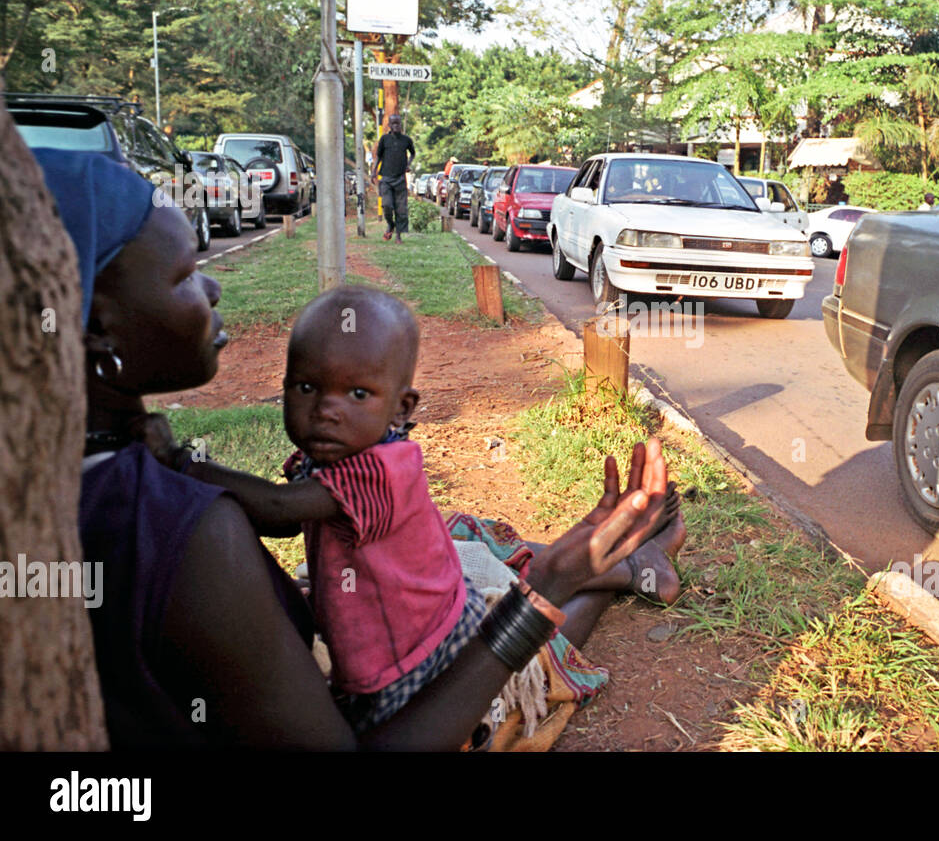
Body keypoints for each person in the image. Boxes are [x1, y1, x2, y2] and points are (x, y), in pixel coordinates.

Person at [34, 146, 681, 749]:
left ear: (402, 409)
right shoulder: (188, 532)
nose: (212, 288)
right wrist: (551, 582)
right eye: (182, 276)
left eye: (357, 395)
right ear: (92, 324)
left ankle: (622, 562)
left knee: (468, 541)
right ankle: (609, 572)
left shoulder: (60, 482)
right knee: (528, 640)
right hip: (405, 683)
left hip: (403, 630)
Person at [133, 284, 683, 733]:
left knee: (535, 656)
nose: (325, 411)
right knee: (496, 565)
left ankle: (628, 572)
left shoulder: (376, 469)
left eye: (356, 396)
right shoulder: (342, 454)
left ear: (402, 408)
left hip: (422, 656)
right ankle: (624, 567)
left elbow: (277, 507)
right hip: (426, 610)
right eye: (305, 388)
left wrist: (181, 463)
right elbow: (282, 518)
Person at [372, 113, 415, 242]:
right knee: (387, 205)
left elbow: (413, 153)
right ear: (389, 125)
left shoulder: (406, 140)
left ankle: (398, 235)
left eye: (398, 123)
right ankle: (390, 224)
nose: (396, 126)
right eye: (394, 123)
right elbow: (378, 157)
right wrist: (374, 171)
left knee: (401, 208)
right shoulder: (384, 139)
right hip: (385, 178)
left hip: (400, 178)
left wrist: (408, 164)